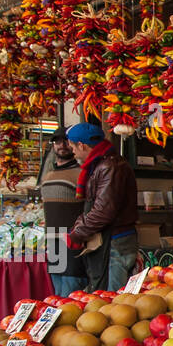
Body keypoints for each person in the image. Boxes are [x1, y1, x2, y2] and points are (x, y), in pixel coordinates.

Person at [64, 121, 139, 291]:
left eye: (73, 147)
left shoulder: (109, 166)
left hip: (115, 242)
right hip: (112, 239)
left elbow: (103, 211)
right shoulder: (102, 164)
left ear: (82, 145)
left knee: (112, 299)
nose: (73, 152)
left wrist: (77, 234)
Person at [39, 130, 85, 298]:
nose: (62, 145)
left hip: (73, 245)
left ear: (73, 145)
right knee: (57, 298)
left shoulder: (82, 174)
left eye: (66, 141)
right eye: (57, 142)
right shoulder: (48, 176)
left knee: (72, 297)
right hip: (53, 244)